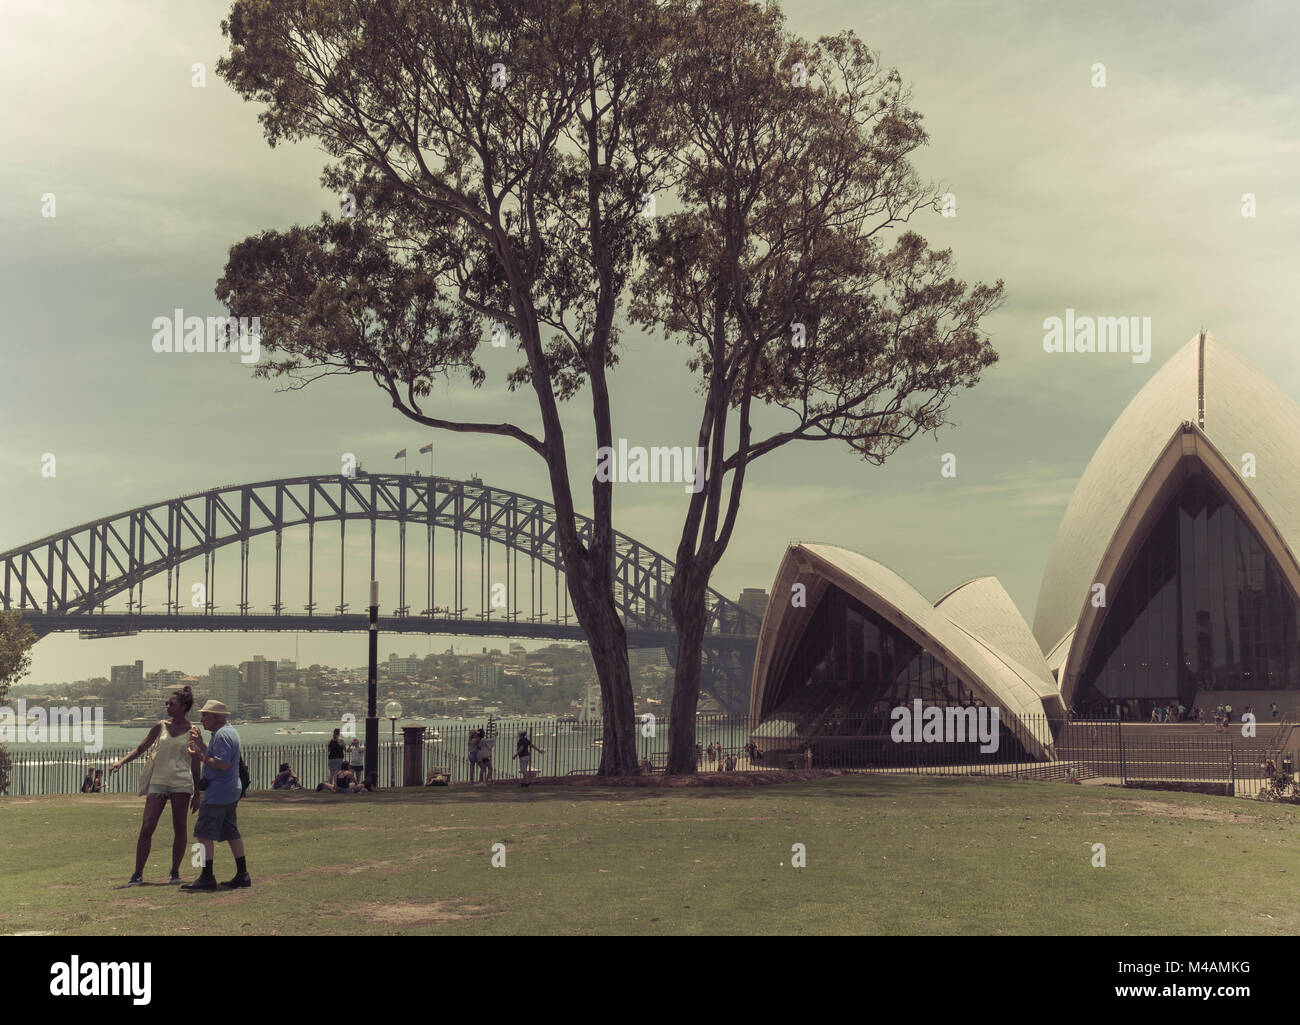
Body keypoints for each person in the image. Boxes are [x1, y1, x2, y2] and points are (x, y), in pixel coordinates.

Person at [110, 686, 201, 886]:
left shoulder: (193, 731)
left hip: (181, 783)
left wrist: (198, 792)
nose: (167, 706)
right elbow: (141, 748)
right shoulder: (160, 726)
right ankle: (137, 873)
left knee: (180, 828)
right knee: (147, 826)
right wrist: (121, 762)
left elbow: (195, 763)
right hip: (158, 781)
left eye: (172, 704)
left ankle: (175, 872)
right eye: (167, 703)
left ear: (183, 706)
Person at [182, 700, 250, 891]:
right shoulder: (226, 733)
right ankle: (242, 874)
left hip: (218, 791)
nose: (202, 718)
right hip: (230, 789)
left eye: (206, 715)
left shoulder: (221, 736)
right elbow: (218, 756)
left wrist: (199, 757)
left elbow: (222, 764)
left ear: (218, 717)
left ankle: (206, 876)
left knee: (203, 834)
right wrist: (200, 743)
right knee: (231, 832)